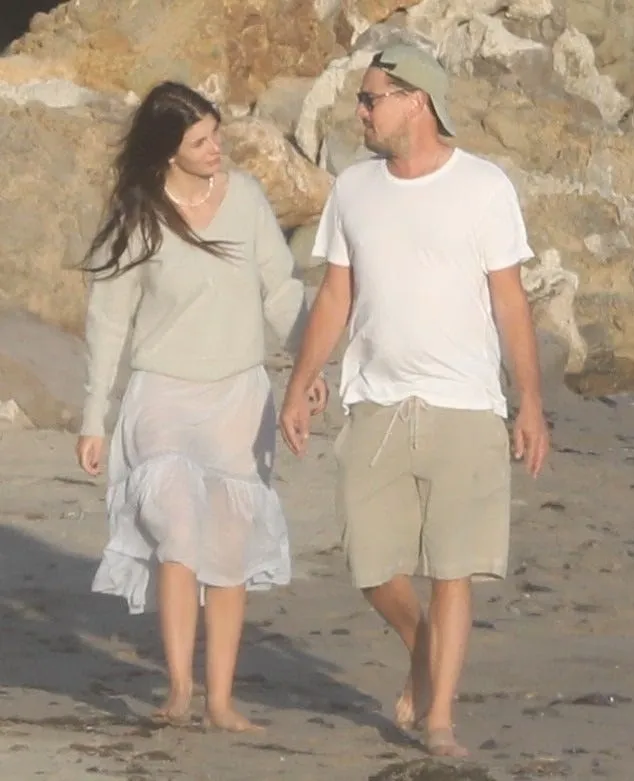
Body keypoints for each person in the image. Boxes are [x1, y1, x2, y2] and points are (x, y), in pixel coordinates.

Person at [280, 44, 550, 756]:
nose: (360, 112)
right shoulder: (354, 189)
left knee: (450, 566)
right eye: (362, 100)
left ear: (416, 102)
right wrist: (303, 375)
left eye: (371, 99)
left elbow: (510, 302)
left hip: (464, 405)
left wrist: (529, 402)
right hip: (375, 401)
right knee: (369, 562)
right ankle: (421, 640)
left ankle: (438, 719)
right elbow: (337, 292)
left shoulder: (484, 187)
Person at [75, 81, 326, 732]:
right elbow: (108, 321)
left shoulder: (243, 198)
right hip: (162, 392)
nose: (218, 148)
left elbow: (279, 288)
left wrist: (307, 364)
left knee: (229, 541)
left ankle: (220, 698)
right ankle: (181, 687)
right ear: (168, 150)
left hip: (238, 394)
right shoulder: (138, 212)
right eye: (201, 141)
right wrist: (92, 417)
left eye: (216, 134)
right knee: (179, 533)